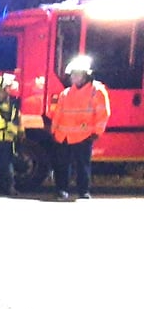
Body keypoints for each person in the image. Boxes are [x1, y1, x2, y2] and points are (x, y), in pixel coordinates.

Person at [50, 55, 110, 200]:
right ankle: (61, 190)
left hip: (84, 136)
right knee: (62, 166)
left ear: (85, 75)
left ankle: (83, 191)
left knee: (82, 166)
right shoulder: (66, 93)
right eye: (72, 75)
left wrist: (97, 132)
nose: (73, 78)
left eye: (76, 75)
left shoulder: (97, 91)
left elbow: (103, 113)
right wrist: (54, 131)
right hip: (63, 136)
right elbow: (58, 114)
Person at [0, 74, 23, 196]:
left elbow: (18, 119)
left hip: (8, 139)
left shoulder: (13, 104)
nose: (8, 90)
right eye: (6, 88)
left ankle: (9, 188)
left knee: (7, 166)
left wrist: (21, 133)